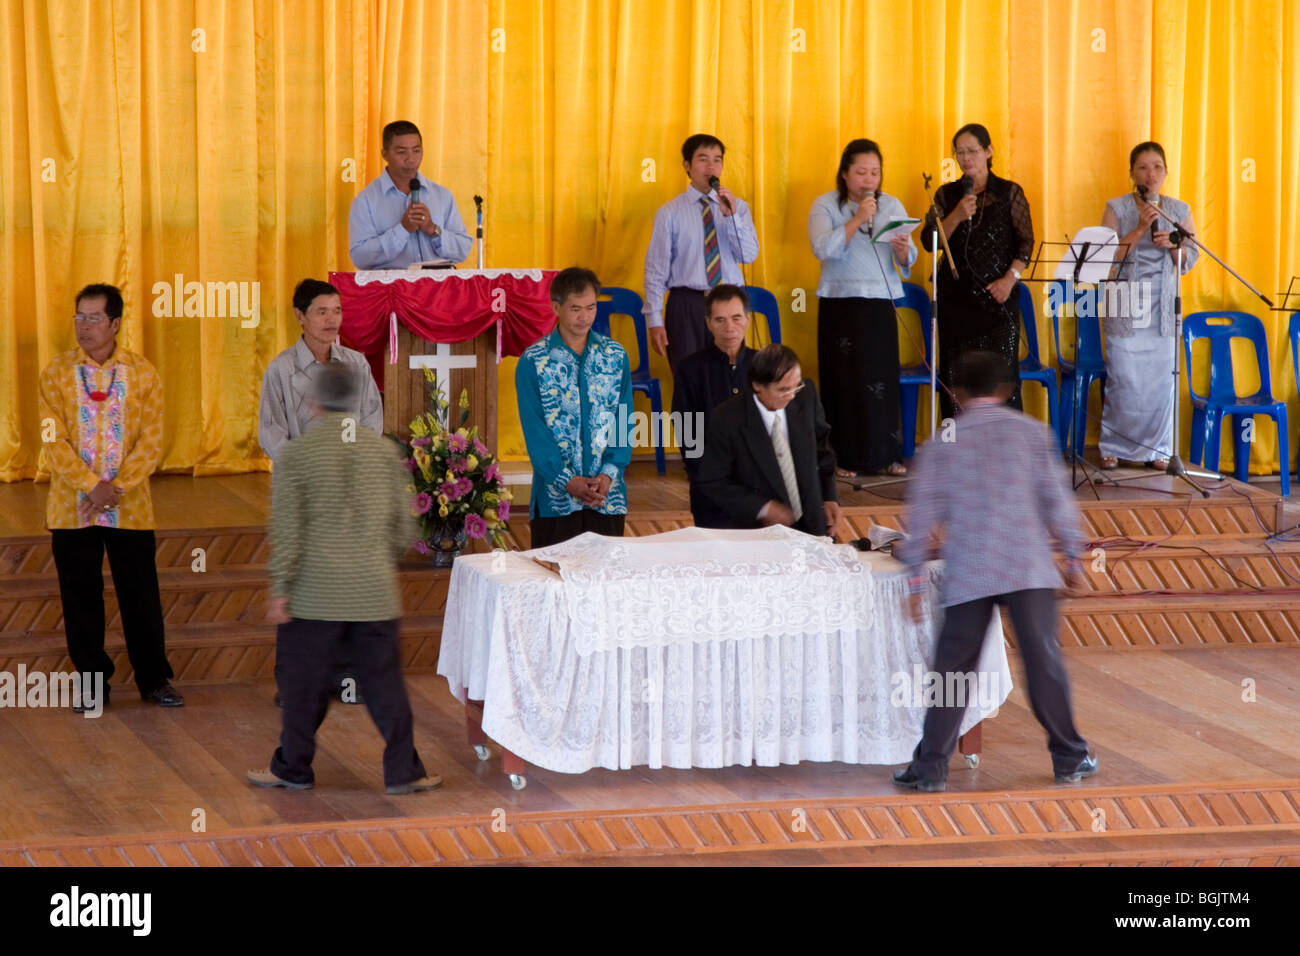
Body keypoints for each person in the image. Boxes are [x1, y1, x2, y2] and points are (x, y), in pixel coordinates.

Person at [893, 351, 1094, 793]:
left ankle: (930, 769)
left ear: (956, 392)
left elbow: (921, 515)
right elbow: (1057, 502)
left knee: (952, 672)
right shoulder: (1032, 433)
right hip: (1028, 567)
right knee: (1044, 663)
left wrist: (913, 581)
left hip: (971, 570)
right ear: (1007, 390)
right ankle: (1070, 757)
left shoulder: (943, 442)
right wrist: (1075, 560)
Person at [248, 364, 440, 794]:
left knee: (305, 691)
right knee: (386, 687)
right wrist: (375, 561)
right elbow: (405, 531)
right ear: (355, 402)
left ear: (313, 403)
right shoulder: (383, 452)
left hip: (315, 596)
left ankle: (292, 769)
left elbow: (288, 531)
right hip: (374, 593)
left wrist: (281, 588)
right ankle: (404, 773)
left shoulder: (296, 456)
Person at [38, 283, 184, 711]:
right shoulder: (56, 373)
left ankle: (154, 678)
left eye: (94, 318)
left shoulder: (143, 373)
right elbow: (51, 437)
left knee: (140, 594)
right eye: (79, 317)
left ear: (115, 323)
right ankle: (93, 683)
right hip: (72, 506)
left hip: (129, 506)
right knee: (80, 598)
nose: (84, 327)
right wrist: (90, 485)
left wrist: (113, 489)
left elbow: (152, 441)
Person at [809, 138, 918, 478]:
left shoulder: (892, 204)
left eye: (875, 172)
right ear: (845, 174)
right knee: (843, 384)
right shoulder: (825, 204)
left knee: (880, 382)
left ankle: (886, 456)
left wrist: (902, 251)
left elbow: (909, 259)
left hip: (879, 305)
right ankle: (840, 459)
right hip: (840, 305)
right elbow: (822, 248)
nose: (869, 180)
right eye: (861, 172)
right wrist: (857, 219)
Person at [1098, 142, 1199, 471]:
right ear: (1131, 173)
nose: (1150, 173)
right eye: (1142, 167)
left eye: (1157, 166)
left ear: (1166, 172)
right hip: (1125, 301)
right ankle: (1113, 446)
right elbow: (1106, 258)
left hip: (1163, 304)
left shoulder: (1179, 210)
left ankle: (1159, 449)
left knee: (1161, 379)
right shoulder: (1116, 207)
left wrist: (1173, 247)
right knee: (1123, 378)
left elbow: (1188, 261)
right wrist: (1141, 227)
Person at [922, 123, 1034, 422]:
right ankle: (955, 448)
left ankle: (1004, 452)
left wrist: (1010, 280)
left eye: (972, 151)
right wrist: (957, 215)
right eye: (960, 152)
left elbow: (1026, 243)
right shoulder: (948, 195)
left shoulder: (1010, 192)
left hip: (998, 300)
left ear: (988, 151)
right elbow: (929, 241)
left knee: (1001, 379)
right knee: (957, 381)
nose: (966, 158)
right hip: (955, 302)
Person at [516, 267, 633, 549]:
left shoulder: (615, 356)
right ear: (556, 307)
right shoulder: (534, 361)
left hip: (606, 497)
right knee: (553, 582)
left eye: (591, 307)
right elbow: (535, 432)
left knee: (605, 584)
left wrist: (608, 473)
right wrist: (567, 480)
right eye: (576, 309)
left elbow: (624, 420)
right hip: (555, 500)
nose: (585, 317)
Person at [695, 344, 842, 538]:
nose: (791, 396)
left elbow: (822, 450)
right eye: (783, 390)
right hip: (759, 533)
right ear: (758, 386)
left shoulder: (806, 395)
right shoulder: (727, 418)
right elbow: (713, 481)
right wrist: (763, 508)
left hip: (813, 522)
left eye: (795, 386)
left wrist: (830, 497)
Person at [643, 133, 760, 373]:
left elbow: (748, 256)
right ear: (687, 165)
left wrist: (732, 217)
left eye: (717, 160)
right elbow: (656, 270)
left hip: (729, 302)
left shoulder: (738, 208)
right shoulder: (669, 213)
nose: (711, 167)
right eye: (703, 159)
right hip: (687, 305)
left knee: (731, 378)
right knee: (689, 379)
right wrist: (654, 320)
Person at [259, 278, 384, 463]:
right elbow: (271, 432)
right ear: (300, 316)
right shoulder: (281, 369)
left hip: (350, 473)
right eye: (322, 312)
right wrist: (309, 470)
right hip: (302, 477)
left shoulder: (356, 363)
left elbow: (372, 418)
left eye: (337, 311)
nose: (331, 320)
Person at [673, 284, 758, 528]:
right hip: (710, 489)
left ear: (748, 320)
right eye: (720, 320)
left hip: (758, 491)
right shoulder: (690, 369)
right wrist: (704, 477)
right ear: (708, 323)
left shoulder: (764, 366)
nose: (729, 328)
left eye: (736, 318)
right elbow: (686, 429)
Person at [347, 120, 473, 269]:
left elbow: (463, 250)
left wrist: (433, 229)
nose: (411, 159)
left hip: (439, 288)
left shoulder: (442, 195)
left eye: (416, 151)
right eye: (401, 152)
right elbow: (360, 257)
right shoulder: (366, 201)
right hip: (392, 289)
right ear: (384, 154)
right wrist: (402, 230)